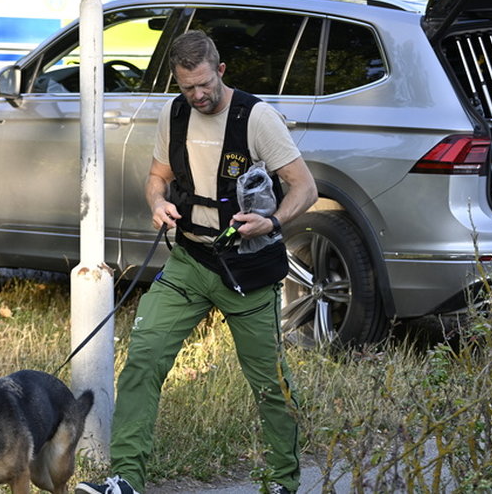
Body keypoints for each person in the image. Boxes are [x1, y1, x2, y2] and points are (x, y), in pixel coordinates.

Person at [78, 30, 317, 494]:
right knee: (142, 360)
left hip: (247, 271)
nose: (199, 95)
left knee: (270, 383)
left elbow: (304, 188)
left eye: (205, 84)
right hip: (189, 259)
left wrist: (271, 223)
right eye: (188, 87)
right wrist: (157, 203)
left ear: (220, 70)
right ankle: (125, 478)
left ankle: (284, 482)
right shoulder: (175, 113)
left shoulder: (256, 118)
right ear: (177, 82)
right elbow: (156, 178)